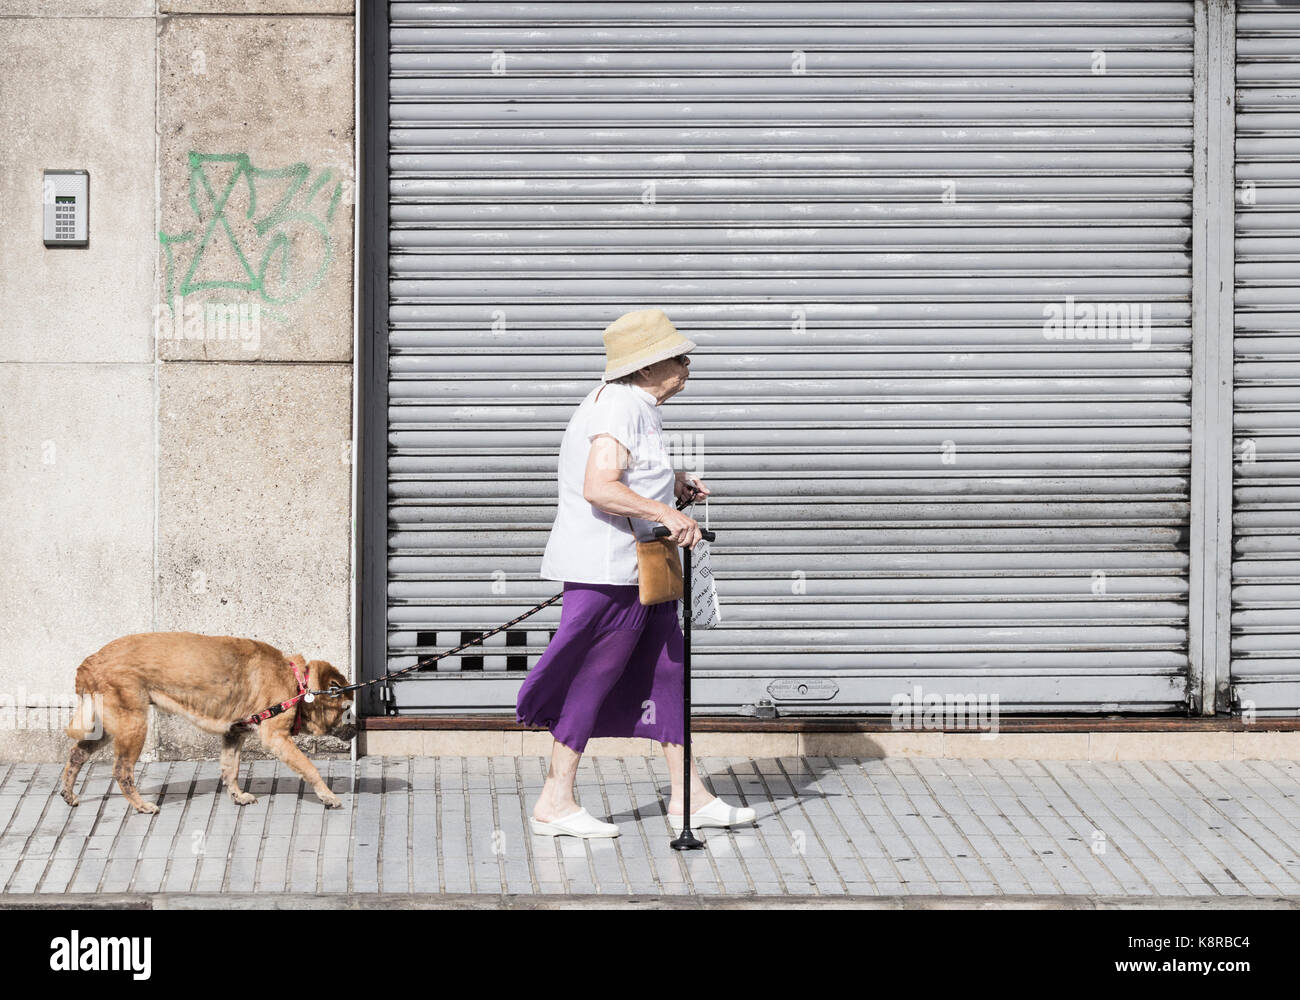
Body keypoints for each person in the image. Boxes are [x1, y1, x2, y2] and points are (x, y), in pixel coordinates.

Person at [515, 307, 756, 838]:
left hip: (642, 570)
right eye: (677, 357)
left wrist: (673, 484)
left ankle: (689, 797)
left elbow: (630, 478)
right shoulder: (619, 406)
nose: (687, 364)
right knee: (590, 678)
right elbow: (599, 485)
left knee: (669, 671)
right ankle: (555, 800)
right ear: (646, 368)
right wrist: (667, 513)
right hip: (609, 572)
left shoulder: (638, 405)